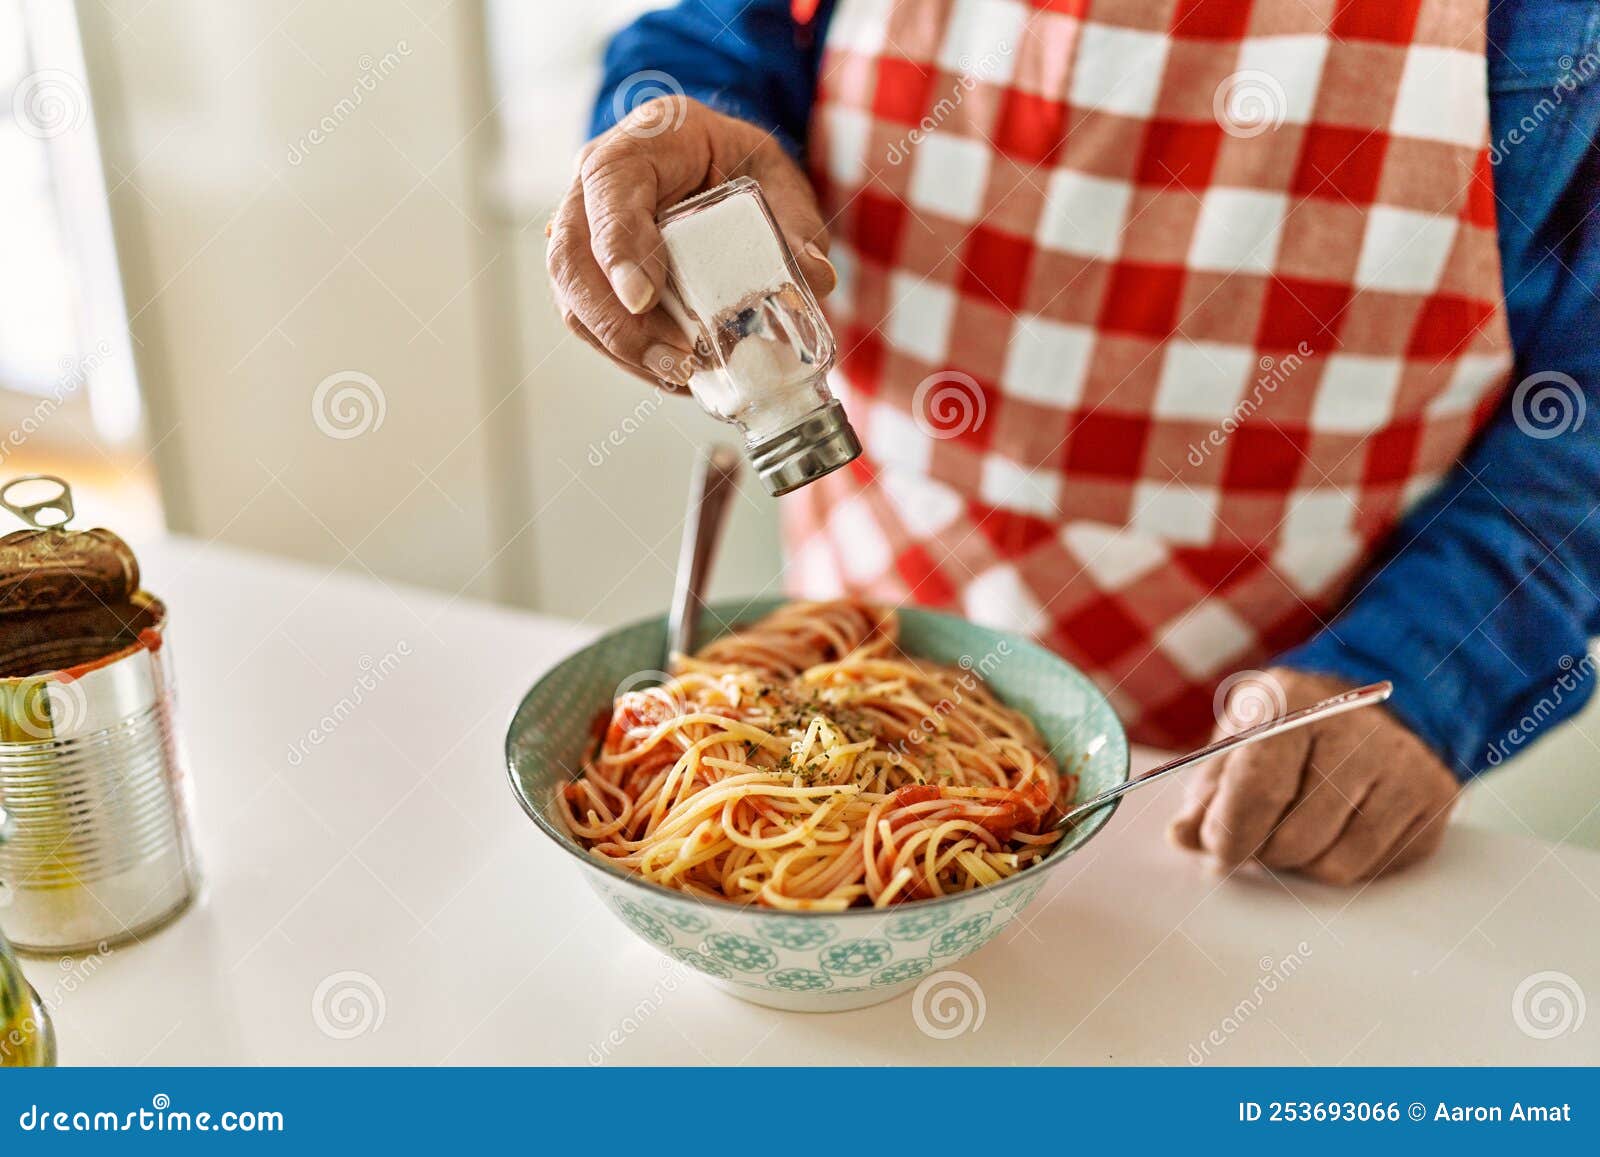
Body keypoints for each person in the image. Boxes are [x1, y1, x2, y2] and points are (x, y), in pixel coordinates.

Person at [546, 0, 1600, 885]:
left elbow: (1579, 409)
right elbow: (719, 41)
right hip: (849, 638)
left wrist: (1424, 668)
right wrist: (684, 147)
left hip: (1256, 808)